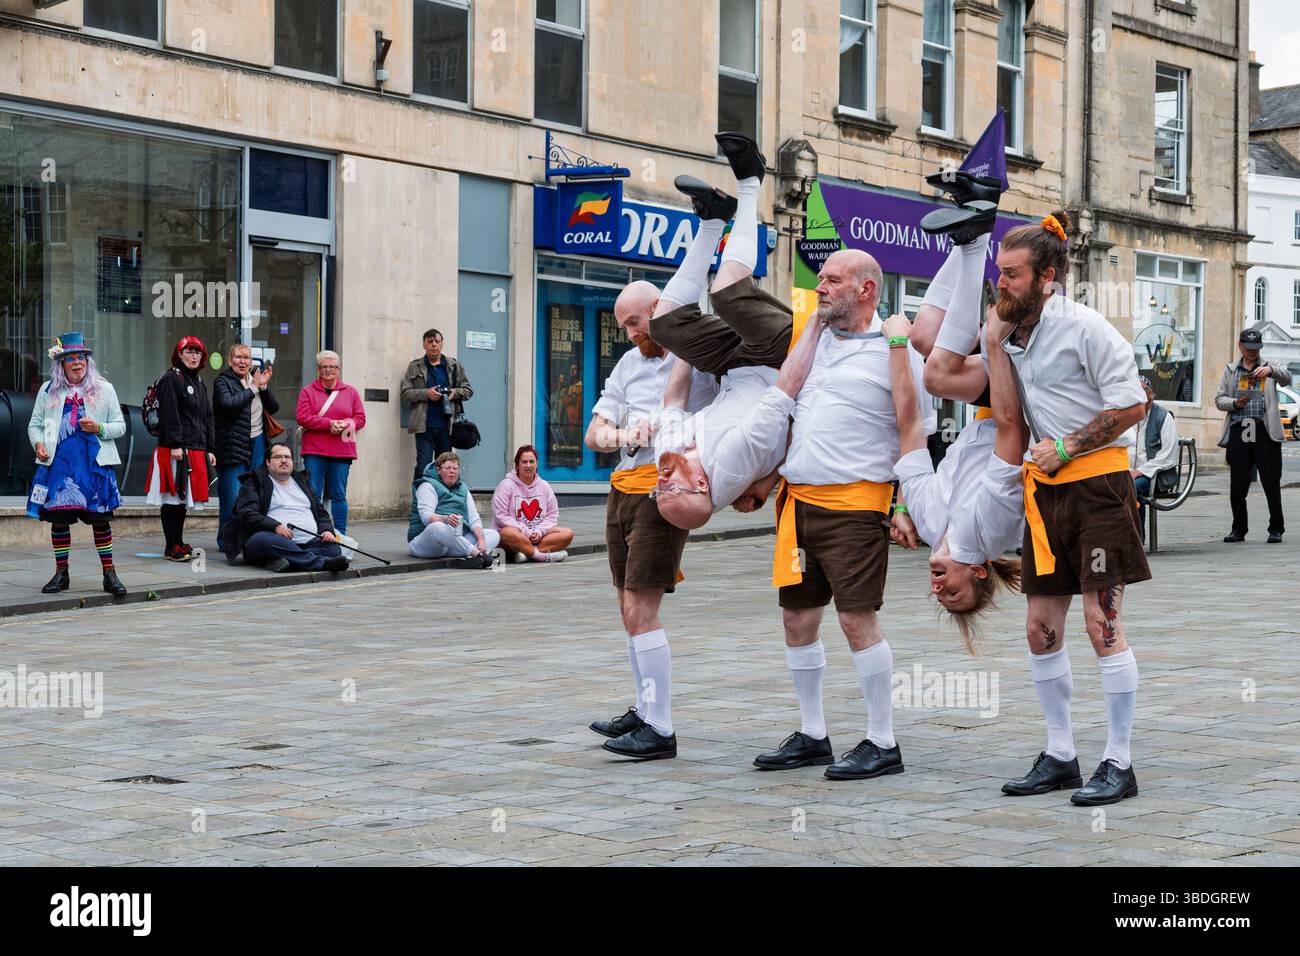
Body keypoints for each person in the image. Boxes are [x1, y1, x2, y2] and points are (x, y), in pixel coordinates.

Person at [751, 245, 936, 780]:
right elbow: (788, 415)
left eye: (832, 280)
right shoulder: (815, 343)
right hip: (799, 503)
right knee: (797, 619)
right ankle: (813, 734)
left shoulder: (896, 351)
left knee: (857, 620)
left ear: (866, 290)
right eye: (820, 279)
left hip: (856, 505)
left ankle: (883, 740)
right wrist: (763, 481)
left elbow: (914, 432)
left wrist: (904, 503)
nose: (821, 287)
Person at [583, 138, 738, 761]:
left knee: (642, 601)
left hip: (661, 489)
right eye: (624, 326)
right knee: (628, 604)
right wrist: (621, 435)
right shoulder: (626, 363)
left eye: (636, 323)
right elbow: (595, 431)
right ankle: (644, 707)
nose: (629, 334)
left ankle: (662, 727)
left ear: (659, 313)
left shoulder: (691, 357)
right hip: (622, 486)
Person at [989, 212, 1150, 807]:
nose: (1001, 282)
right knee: (1039, 627)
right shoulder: (1010, 335)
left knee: (1100, 624)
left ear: (1047, 277)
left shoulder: (1085, 327)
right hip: (1045, 492)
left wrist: (1067, 445)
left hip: (1097, 485)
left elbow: (1134, 404)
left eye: (1011, 274)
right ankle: (1060, 754)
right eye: (999, 272)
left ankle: (1119, 761)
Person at [648, 157, 823, 530]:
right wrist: (815, 327)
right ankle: (750, 181)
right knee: (726, 291)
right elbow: (784, 394)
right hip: (777, 359)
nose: (661, 484)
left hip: (731, 366)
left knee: (662, 324)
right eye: (672, 491)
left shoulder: (669, 459)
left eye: (657, 493)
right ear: (701, 485)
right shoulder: (731, 464)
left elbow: (674, 401)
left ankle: (712, 219)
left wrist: (690, 346)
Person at [881, 305, 1026, 652]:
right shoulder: (990, 531)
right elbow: (1011, 428)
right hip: (1020, 401)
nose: (937, 589)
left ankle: (969, 252)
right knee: (938, 378)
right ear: (976, 572)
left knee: (923, 335)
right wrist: (994, 341)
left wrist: (898, 344)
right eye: (952, 593)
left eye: (938, 596)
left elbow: (910, 427)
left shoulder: (931, 526)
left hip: (992, 401)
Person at [26, 332, 127, 597]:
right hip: (60, 469)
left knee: (100, 521)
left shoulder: (105, 389)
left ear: (87, 360)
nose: (77, 363)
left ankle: (109, 573)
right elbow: (35, 425)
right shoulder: (48, 391)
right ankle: (62, 574)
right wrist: (38, 444)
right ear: (61, 364)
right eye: (70, 358)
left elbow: (120, 425)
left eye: (80, 357)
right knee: (59, 523)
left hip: (94, 468)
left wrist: (100, 427)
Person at [1216, 326, 1291, 544]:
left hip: (1264, 430)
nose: (1252, 352)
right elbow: (1219, 399)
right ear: (1240, 346)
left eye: (1256, 348)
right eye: (1248, 348)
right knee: (1237, 484)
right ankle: (1239, 529)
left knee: (1270, 481)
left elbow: (1287, 378)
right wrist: (1234, 403)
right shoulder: (1230, 370)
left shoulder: (1269, 366)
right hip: (1239, 429)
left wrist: (1271, 372)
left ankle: (1276, 528)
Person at [145, 336, 216, 561]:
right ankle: (171, 546)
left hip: (194, 449)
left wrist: (210, 448)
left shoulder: (200, 382)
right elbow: (170, 414)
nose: (194, 356)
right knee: (172, 499)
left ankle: (178, 541)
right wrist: (175, 443)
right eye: (189, 351)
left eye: (197, 352)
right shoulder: (170, 379)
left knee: (183, 499)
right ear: (180, 354)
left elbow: (207, 417)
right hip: (175, 449)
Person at [229, 442, 349, 573]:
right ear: (268, 462)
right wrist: (275, 526)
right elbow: (246, 514)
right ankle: (321, 563)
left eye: (287, 457)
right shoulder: (255, 482)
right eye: (278, 457)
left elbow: (321, 513)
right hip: (273, 540)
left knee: (333, 549)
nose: (284, 460)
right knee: (261, 540)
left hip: (308, 543)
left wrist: (326, 531)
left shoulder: (302, 482)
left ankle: (285, 561)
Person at [213, 343, 279, 555]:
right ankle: (226, 541)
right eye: (238, 357)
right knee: (231, 496)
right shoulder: (222, 381)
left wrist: (263, 388)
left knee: (253, 494)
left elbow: (274, 407)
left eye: (246, 358)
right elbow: (228, 405)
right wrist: (252, 389)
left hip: (257, 442)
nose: (243, 361)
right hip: (232, 445)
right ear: (230, 361)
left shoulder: (255, 381)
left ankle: (248, 539)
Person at [297, 350, 365, 535]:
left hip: (341, 450)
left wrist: (344, 424)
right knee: (314, 493)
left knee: (339, 495)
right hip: (315, 450)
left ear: (338, 369)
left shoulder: (350, 392)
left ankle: (340, 535)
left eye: (332, 366)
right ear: (318, 370)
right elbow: (302, 417)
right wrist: (329, 424)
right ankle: (315, 532)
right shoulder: (308, 391)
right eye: (324, 366)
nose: (328, 370)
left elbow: (360, 418)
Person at [401, 329, 472, 480]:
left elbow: (468, 390)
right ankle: (420, 502)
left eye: (437, 342)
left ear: (442, 344)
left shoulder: (453, 365)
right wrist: (427, 394)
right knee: (423, 467)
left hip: (447, 426)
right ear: (424, 344)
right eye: (430, 341)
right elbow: (405, 393)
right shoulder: (415, 366)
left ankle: (442, 502)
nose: (434, 345)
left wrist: (454, 393)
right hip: (424, 426)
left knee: (446, 468)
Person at [408, 451, 500, 565]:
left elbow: (473, 518)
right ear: (438, 470)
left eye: (455, 468)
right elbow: (426, 517)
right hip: (428, 544)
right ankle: (477, 554)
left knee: (493, 534)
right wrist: (445, 519)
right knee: (437, 527)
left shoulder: (463, 488)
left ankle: (473, 559)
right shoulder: (427, 485)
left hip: (453, 544)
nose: (452, 471)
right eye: (448, 468)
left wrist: (481, 539)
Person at [491, 444, 573, 563]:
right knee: (507, 532)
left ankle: (527, 553)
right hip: (515, 535)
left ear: (537, 464)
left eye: (531, 461)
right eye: (524, 462)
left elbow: (552, 515)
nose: (528, 465)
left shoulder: (544, 486)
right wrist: (526, 531)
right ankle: (542, 556)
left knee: (567, 533)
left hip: (537, 535)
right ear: (517, 465)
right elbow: (500, 516)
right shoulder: (506, 485)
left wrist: (539, 531)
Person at [1129, 376, 1178, 535]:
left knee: (1133, 488)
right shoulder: (1126, 415)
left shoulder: (1163, 417)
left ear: (1151, 396)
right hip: (1126, 471)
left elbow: (1168, 456)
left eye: (1145, 394)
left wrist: (1140, 471)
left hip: (1155, 474)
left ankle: (1138, 538)